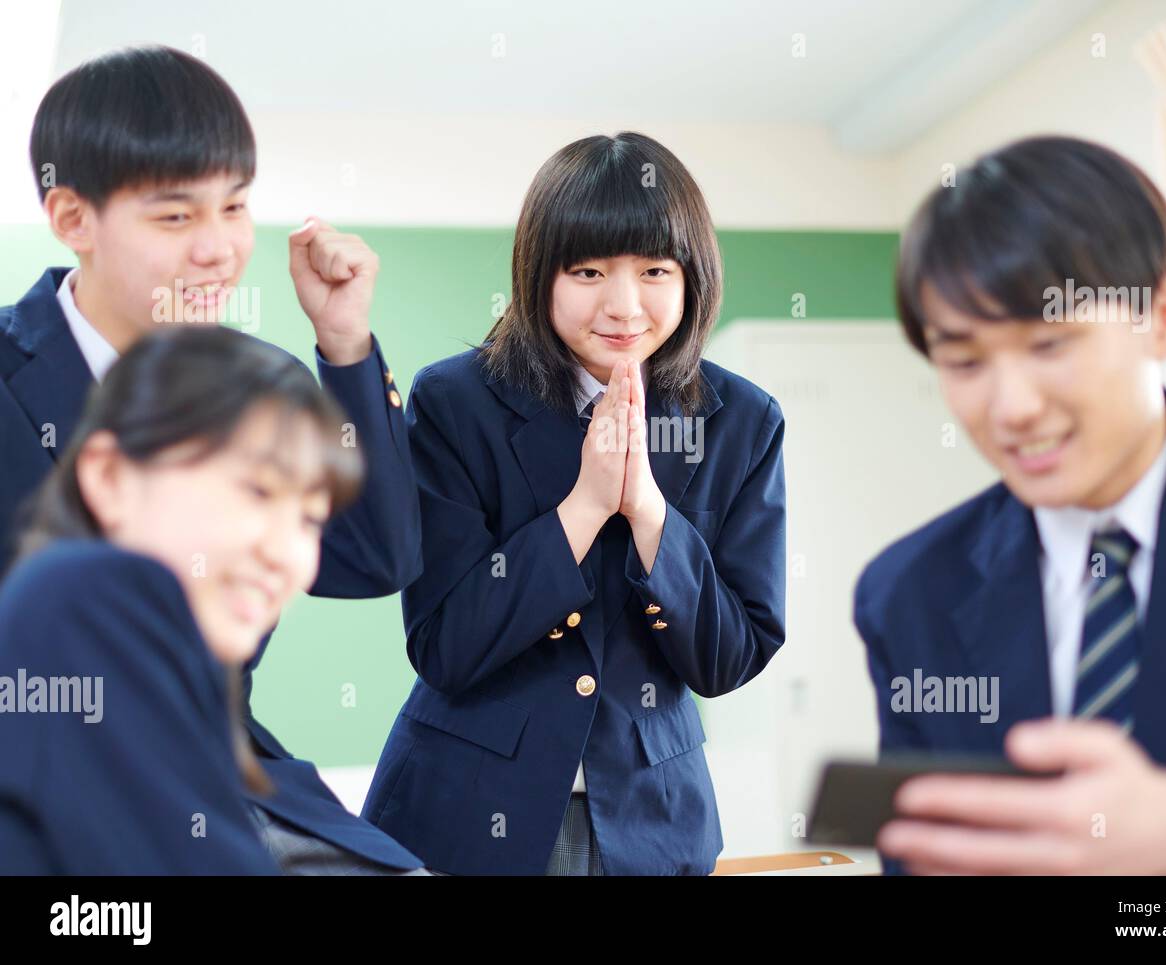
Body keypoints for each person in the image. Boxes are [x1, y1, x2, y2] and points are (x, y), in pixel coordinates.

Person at [0, 45, 426, 874]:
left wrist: (343, 345)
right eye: (175, 217)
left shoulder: (256, 382)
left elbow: (378, 554)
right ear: (72, 217)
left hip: (225, 783)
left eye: (233, 208)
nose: (219, 249)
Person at [855, 135, 1166, 874]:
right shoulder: (909, 593)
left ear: (1164, 316)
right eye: (963, 361)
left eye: (1051, 343)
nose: (1013, 408)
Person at [363, 132, 787, 874]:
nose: (623, 305)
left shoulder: (743, 420)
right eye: (588, 270)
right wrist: (584, 508)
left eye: (655, 269)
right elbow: (445, 645)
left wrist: (651, 515)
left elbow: (732, 655)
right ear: (539, 277)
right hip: (466, 812)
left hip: (654, 821)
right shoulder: (456, 402)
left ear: (693, 278)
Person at [0, 326, 363, 873]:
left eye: (310, 520)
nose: (286, 553)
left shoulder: (165, 665)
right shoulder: (67, 593)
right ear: (110, 477)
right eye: (258, 491)